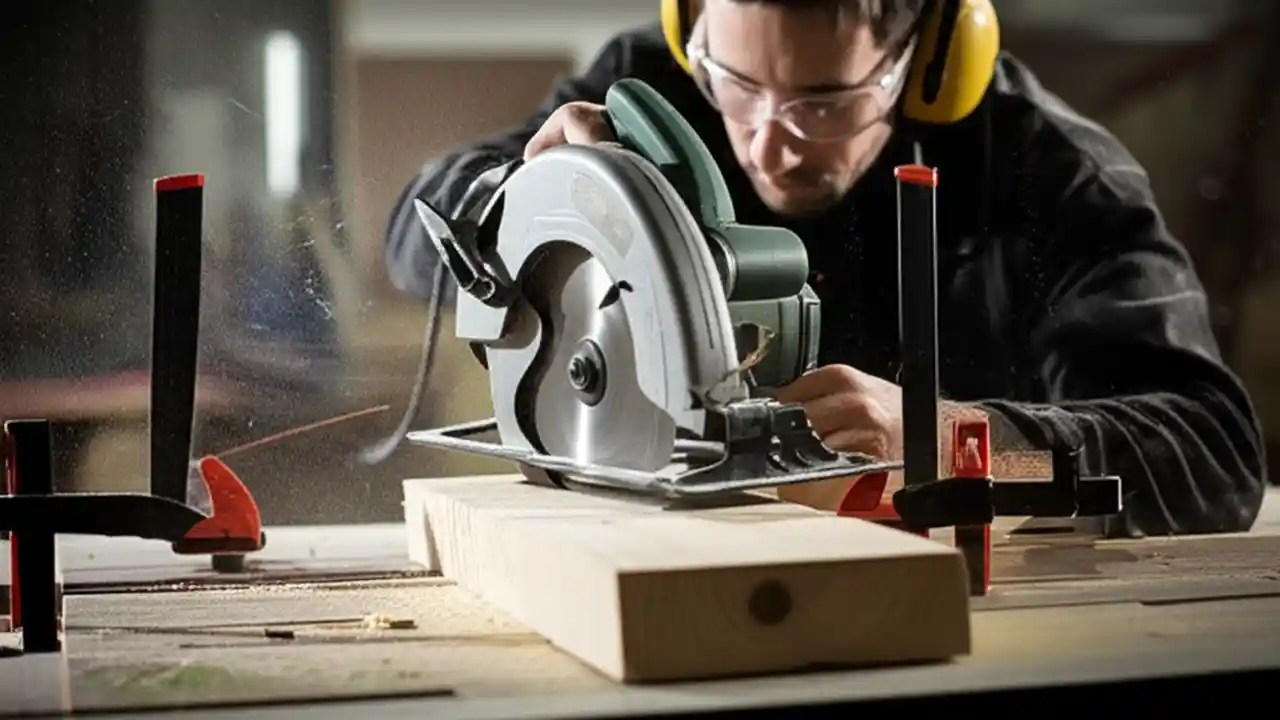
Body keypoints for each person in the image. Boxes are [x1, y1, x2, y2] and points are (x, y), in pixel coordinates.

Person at [383, 0, 1267, 537]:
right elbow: (413, 231)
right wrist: (518, 199)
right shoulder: (649, 86)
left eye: (825, 102)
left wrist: (959, 439)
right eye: (738, 84)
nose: (768, 138)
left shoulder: (1049, 171)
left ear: (928, 62)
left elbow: (1211, 454)